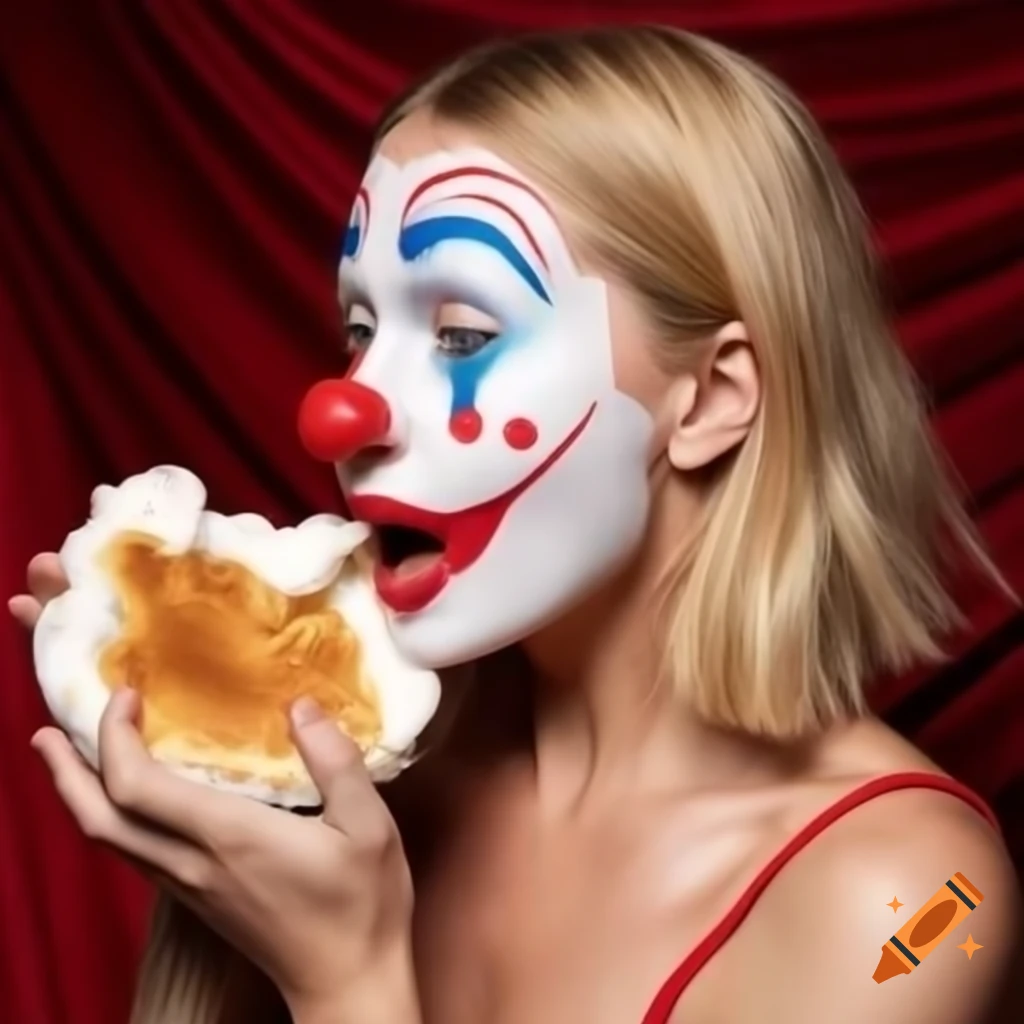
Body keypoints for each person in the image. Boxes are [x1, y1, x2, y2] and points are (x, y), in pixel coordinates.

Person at [9, 24, 1021, 1024]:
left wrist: (344, 980)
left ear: (713, 398)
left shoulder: (921, 906)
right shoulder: (360, 779)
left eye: (461, 334)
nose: (347, 410)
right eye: (361, 327)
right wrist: (208, 740)